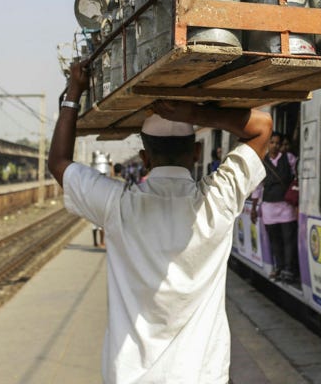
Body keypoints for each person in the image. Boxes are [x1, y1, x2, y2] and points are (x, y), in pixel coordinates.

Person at [49, 59, 272, 384]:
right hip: (202, 375)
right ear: (196, 153)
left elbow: (58, 162)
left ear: (144, 158)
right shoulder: (219, 199)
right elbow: (262, 127)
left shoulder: (117, 204)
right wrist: (195, 114)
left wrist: (74, 91)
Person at [250, 132, 299, 284]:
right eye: (272, 142)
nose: (275, 145)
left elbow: (297, 176)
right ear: (268, 144)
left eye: (278, 143)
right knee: (275, 240)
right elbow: (257, 186)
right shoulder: (262, 162)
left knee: (288, 239)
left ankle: (288, 270)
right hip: (269, 207)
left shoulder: (289, 158)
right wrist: (253, 208)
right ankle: (280, 266)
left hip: (286, 206)